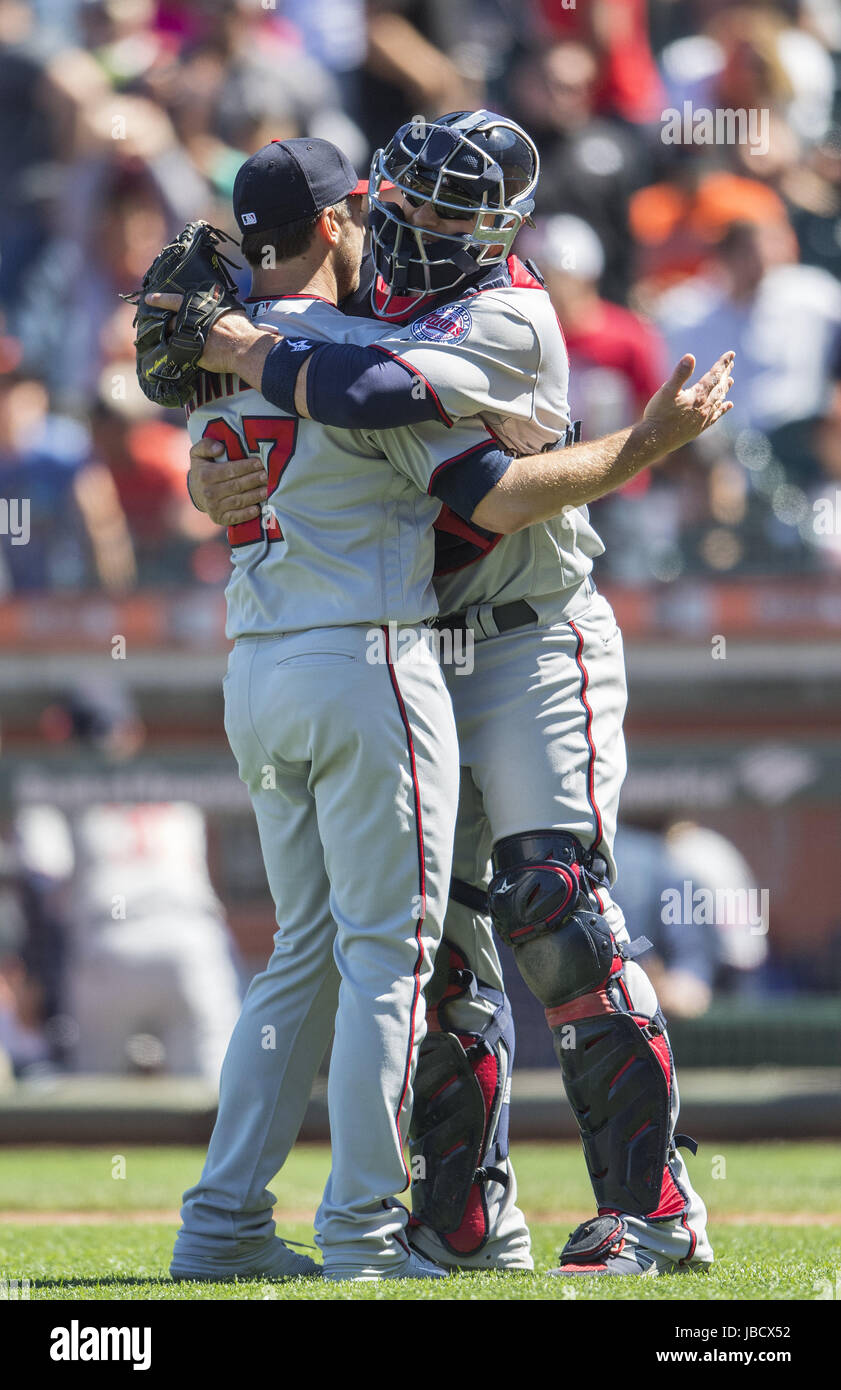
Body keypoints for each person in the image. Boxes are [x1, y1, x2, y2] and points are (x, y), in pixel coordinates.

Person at [161, 111, 733, 1275]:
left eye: (444, 218)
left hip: (527, 633)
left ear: (499, 229)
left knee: (550, 902)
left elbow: (441, 450)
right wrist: (212, 476)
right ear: (366, 202)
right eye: (404, 208)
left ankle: (653, 1207)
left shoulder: (508, 311)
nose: (417, 233)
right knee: (439, 950)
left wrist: (639, 449)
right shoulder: (353, 294)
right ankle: (462, 1217)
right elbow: (294, 415)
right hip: (411, 645)